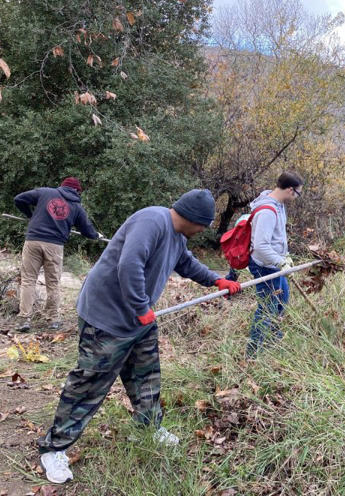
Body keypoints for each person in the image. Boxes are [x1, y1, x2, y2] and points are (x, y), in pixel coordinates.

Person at [36, 189, 241, 484]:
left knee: (146, 376)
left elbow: (185, 263)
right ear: (195, 220)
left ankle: (150, 427)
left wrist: (216, 280)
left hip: (138, 320)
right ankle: (53, 448)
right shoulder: (152, 221)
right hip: (106, 318)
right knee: (88, 384)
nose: (201, 231)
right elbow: (129, 264)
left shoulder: (177, 235)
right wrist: (140, 305)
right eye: (203, 225)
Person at [13, 177, 101, 332]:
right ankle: (53, 319)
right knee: (53, 283)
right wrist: (96, 236)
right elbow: (86, 230)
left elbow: (19, 199)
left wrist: (30, 215)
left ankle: (24, 319)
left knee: (28, 280)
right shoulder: (76, 206)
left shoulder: (45, 192)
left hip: (33, 241)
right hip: (54, 246)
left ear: (62, 187)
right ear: (77, 191)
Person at [246, 171, 304, 357]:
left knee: (281, 301)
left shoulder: (278, 205)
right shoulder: (267, 211)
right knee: (267, 309)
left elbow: (278, 238)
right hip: (264, 266)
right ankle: (252, 355)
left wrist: (285, 257)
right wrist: (281, 262)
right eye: (298, 193)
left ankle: (273, 343)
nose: (297, 197)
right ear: (290, 190)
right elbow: (261, 246)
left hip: (275, 264)